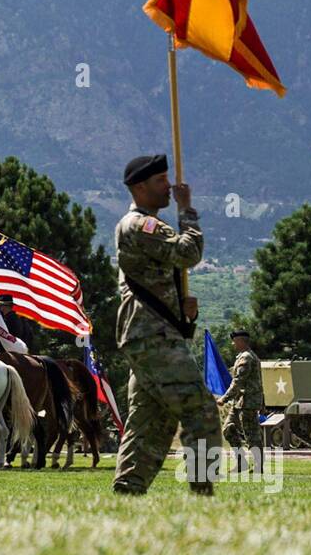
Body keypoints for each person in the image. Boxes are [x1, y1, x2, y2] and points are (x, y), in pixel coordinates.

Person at [110, 153, 220, 496]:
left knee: (150, 422)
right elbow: (188, 253)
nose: (170, 187)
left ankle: (128, 490)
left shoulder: (141, 225)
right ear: (140, 187)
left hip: (149, 332)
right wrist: (187, 210)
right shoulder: (140, 225)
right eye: (161, 181)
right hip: (152, 335)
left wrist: (180, 306)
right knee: (200, 409)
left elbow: (152, 281)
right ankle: (203, 491)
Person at [219, 329, 263, 473]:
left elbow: (238, 381)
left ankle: (258, 466)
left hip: (248, 401)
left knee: (251, 434)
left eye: (234, 341)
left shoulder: (246, 358)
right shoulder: (242, 356)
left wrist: (224, 398)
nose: (233, 344)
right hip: (239, 402)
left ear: (241, 341)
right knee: (227, 429)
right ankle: (241, 463)